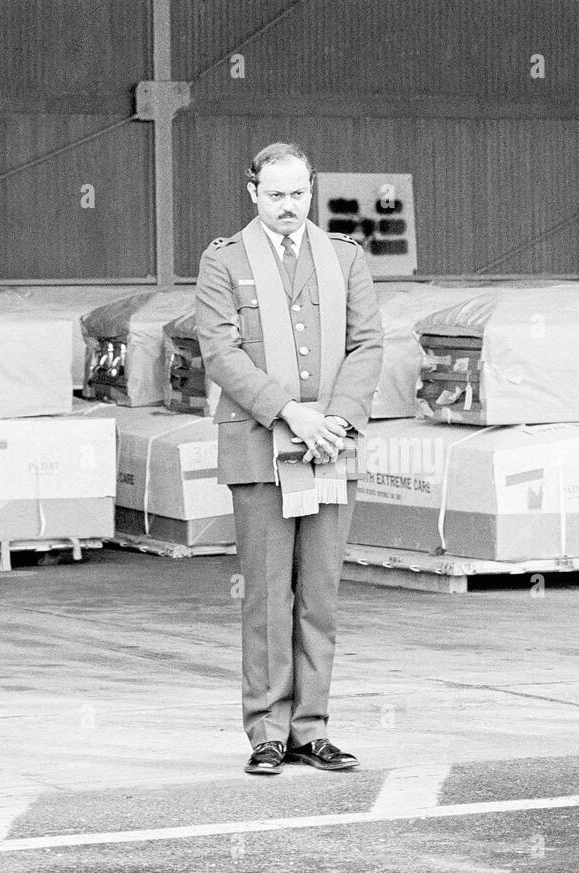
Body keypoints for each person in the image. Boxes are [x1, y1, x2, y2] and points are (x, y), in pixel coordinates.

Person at [196, 142, 383, 775]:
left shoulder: (345, 258)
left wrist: (336, 422)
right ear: (252, 193)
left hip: (330, 446)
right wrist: (290, 412)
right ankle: (267, 731)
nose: (288, 206)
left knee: (321, 595)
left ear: (312, 190)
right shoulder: (224, 262)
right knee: (269, 596)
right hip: (259, 449)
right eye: (275, 195)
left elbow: (367, 345)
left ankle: (312, 728)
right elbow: (221, 353)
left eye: (298, 193)